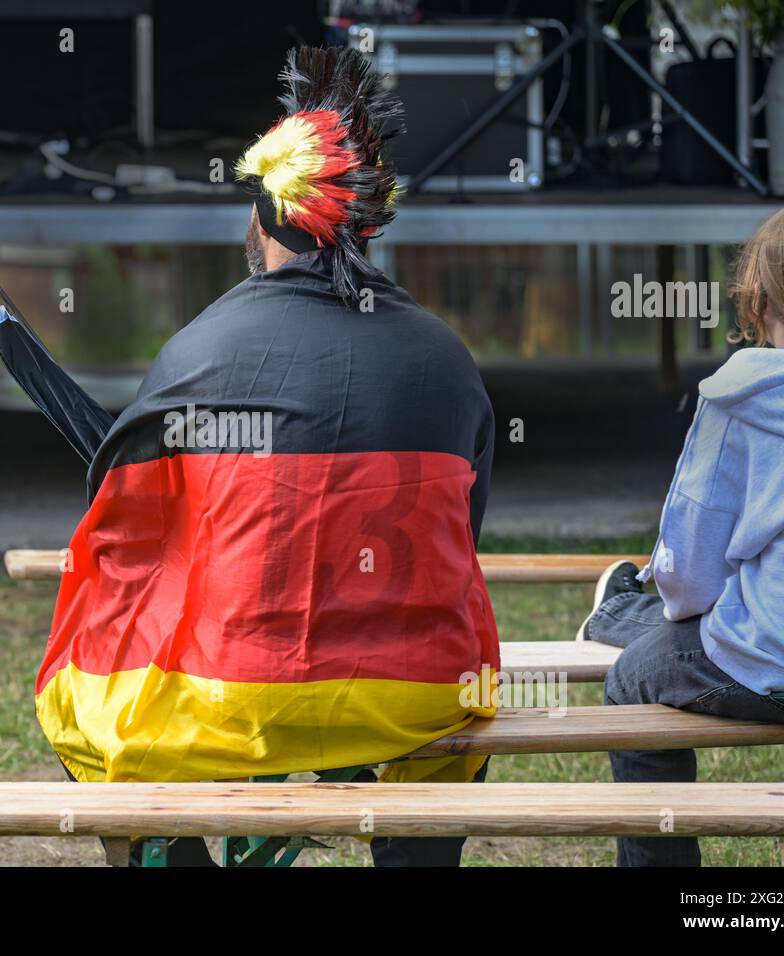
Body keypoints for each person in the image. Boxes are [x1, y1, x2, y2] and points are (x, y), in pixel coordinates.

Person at [36, 46, 499, 866]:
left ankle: (173, 859)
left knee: (84, 687)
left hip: (235, 697)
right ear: (367, 226)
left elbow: (125, 538)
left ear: (262, 222)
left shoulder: (198, 351)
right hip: (421, 697)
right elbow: (465, 529)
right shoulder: (447, 359)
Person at [577, 200, 784, 867]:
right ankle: (620, 610)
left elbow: (688, 576)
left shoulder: (738, 397)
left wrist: (679, 611)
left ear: (757, 297)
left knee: (633, 678)